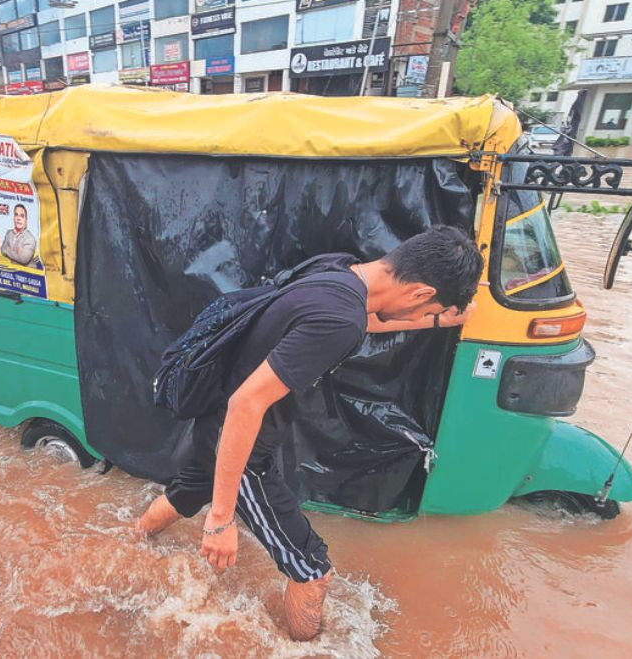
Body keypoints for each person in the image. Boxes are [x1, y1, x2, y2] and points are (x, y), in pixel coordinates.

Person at [135, 226, 484, 641]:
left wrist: (438, 321)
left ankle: (132, 545)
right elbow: (246, 404)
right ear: (420, 292)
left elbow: (358, 321)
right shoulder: (341, 320)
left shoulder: (336, 272)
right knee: (312, 572)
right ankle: (308, 648)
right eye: (428, 311)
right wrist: (220, 518)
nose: (423, 318)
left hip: (214, 424)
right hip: (242, 447)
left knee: (185, 494)